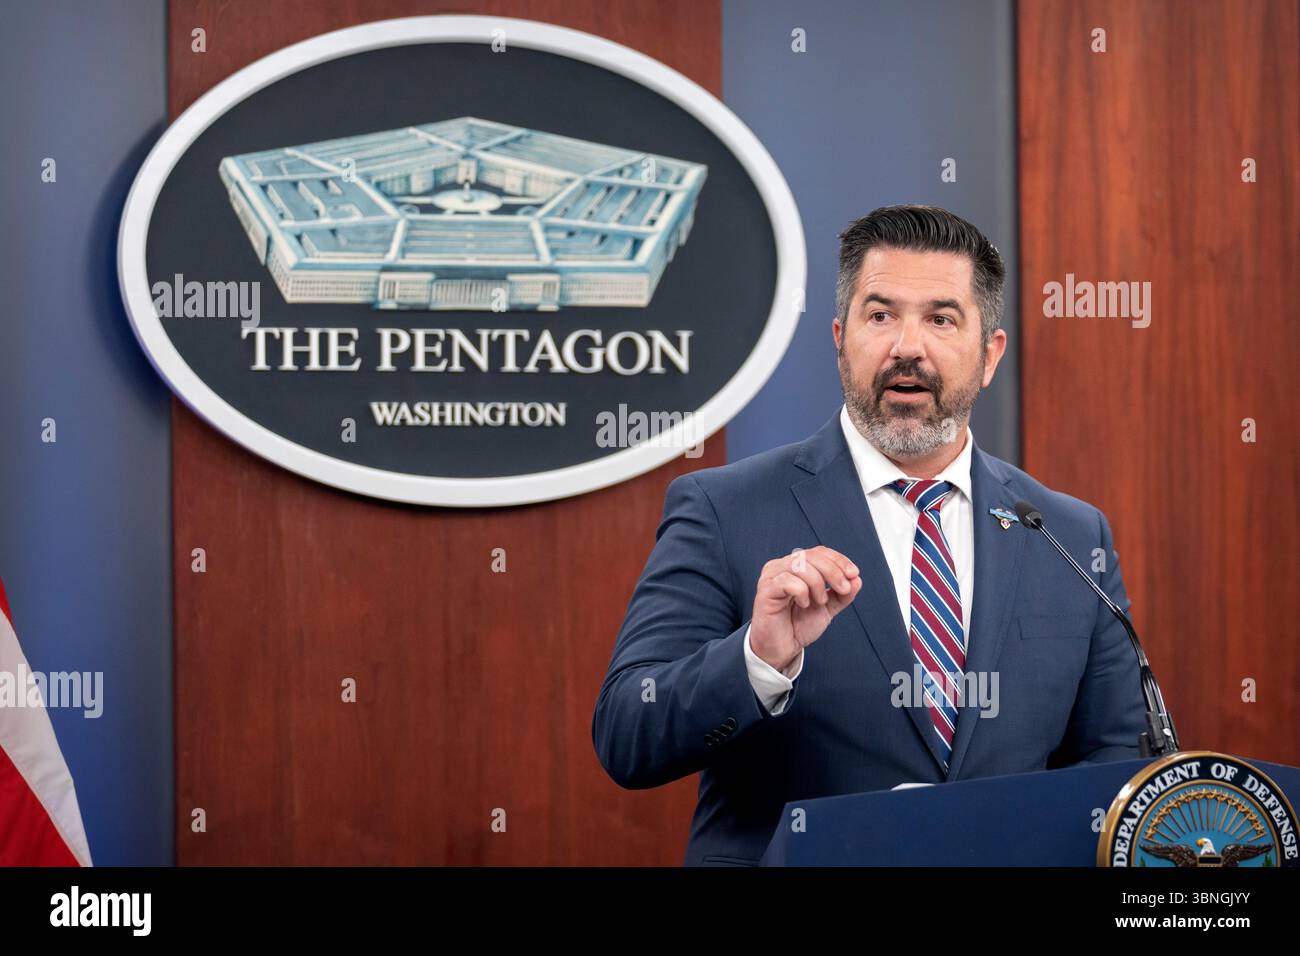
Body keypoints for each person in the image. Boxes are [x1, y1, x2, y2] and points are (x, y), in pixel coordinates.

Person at [591, 204, 1146, 866]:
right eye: (880, 316)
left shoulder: (1068, 534)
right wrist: (758, 659)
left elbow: (1115, 768)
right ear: (840, 337)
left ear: (990, 353)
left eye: (941, 319)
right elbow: (627, 735)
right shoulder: (724, 508)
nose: (907, 346)